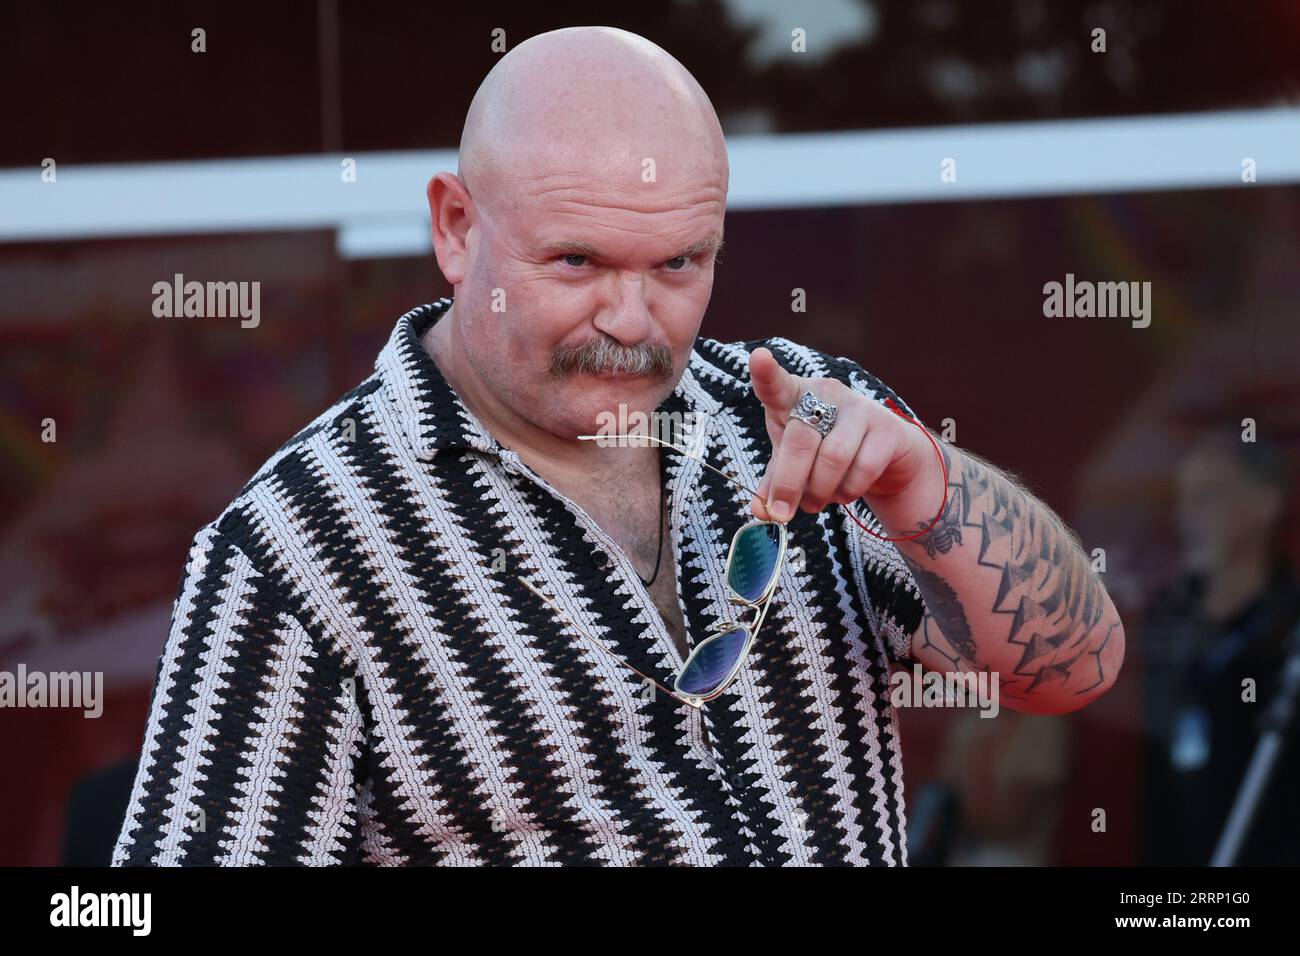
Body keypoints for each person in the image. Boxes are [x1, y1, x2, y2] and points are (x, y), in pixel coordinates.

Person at [113, 26, 1123, 866]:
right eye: (578, 260)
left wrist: (927, 485)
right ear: (458, 228)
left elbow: (1074, 665)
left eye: (680, 262)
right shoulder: (298, 545)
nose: (632, 320)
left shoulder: (809, 417)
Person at [1140, 425, 1300, 865]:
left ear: (1267, 504)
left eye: (1207, 496)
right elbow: (1157, 795)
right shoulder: (1167, 625)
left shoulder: (1289, 635)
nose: (1185, 515)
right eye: (1182, 498)